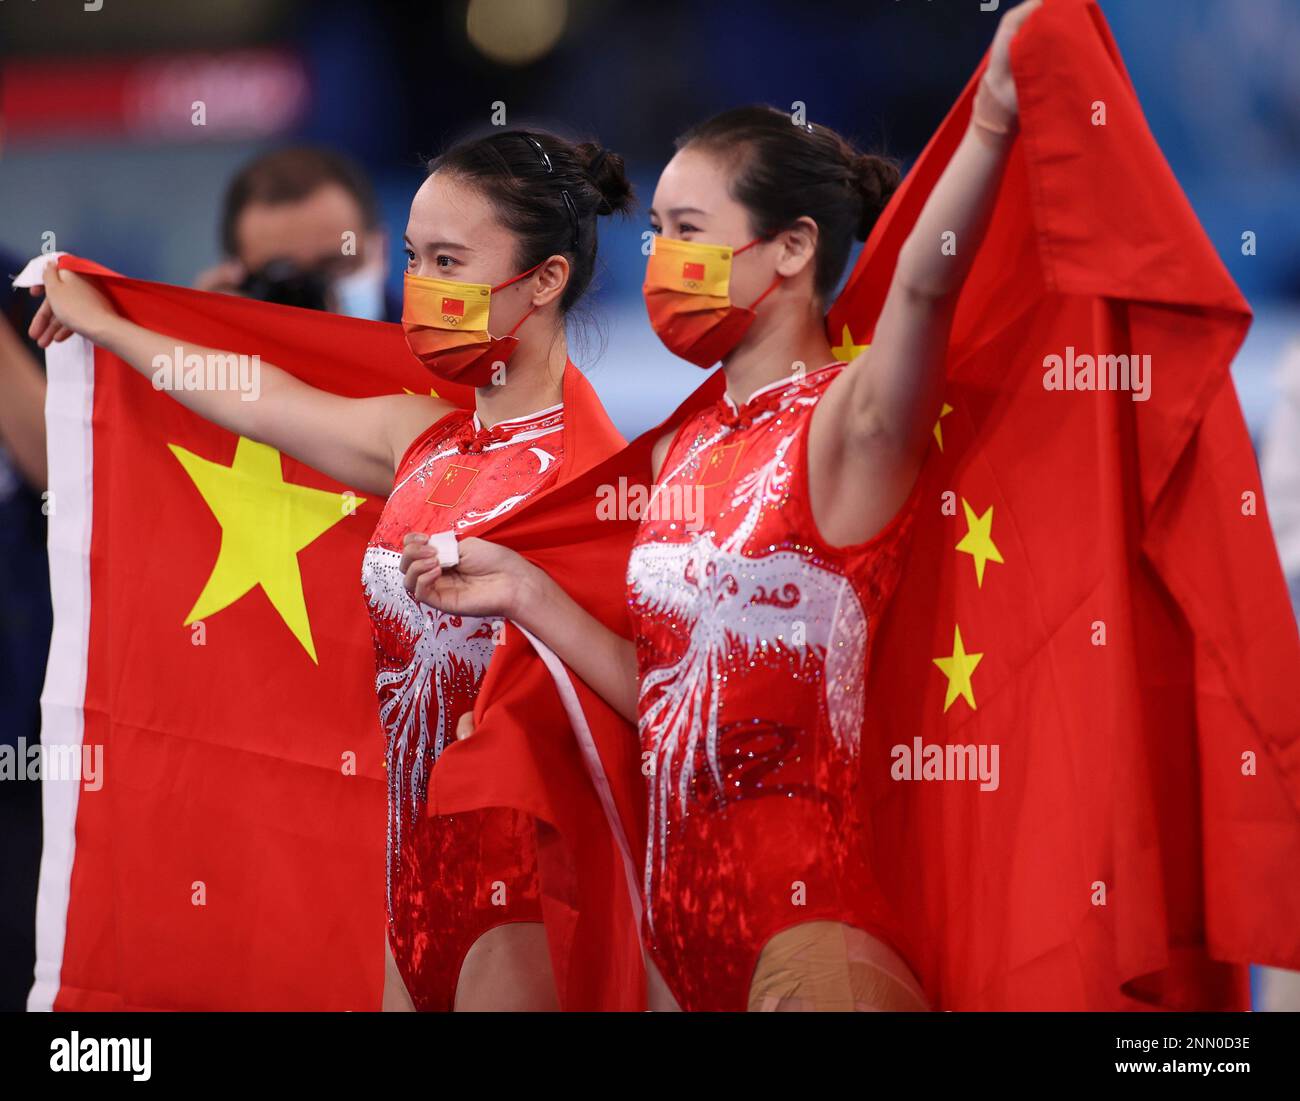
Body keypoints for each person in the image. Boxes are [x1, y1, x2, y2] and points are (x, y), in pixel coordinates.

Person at [399, 0, 1041, 1011]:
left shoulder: (842, 427)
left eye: (686, 231)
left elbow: (920, 292)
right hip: (691, 963)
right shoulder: (692, 444)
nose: (658, 258)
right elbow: (661, 704)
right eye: (654, 230)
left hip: (818, 949)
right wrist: (527, 593)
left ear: (790, 249)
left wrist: (994, 118)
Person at [27, 128, 636, 1011]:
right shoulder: (420, 436)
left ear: (544, 280)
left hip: (522, 897)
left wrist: (534, 596)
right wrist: (112, 324)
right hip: (405, 887)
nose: (423, 286)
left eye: (452, 262)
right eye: (416, 256)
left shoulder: (594, 483)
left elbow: (655, 705)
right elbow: (254, 397)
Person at [195, 145, 399, 321]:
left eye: (335, 263)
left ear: (381, 250)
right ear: (235, 276)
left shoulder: (429, 352)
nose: (311, 291)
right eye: (281, 271)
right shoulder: (205, 360)